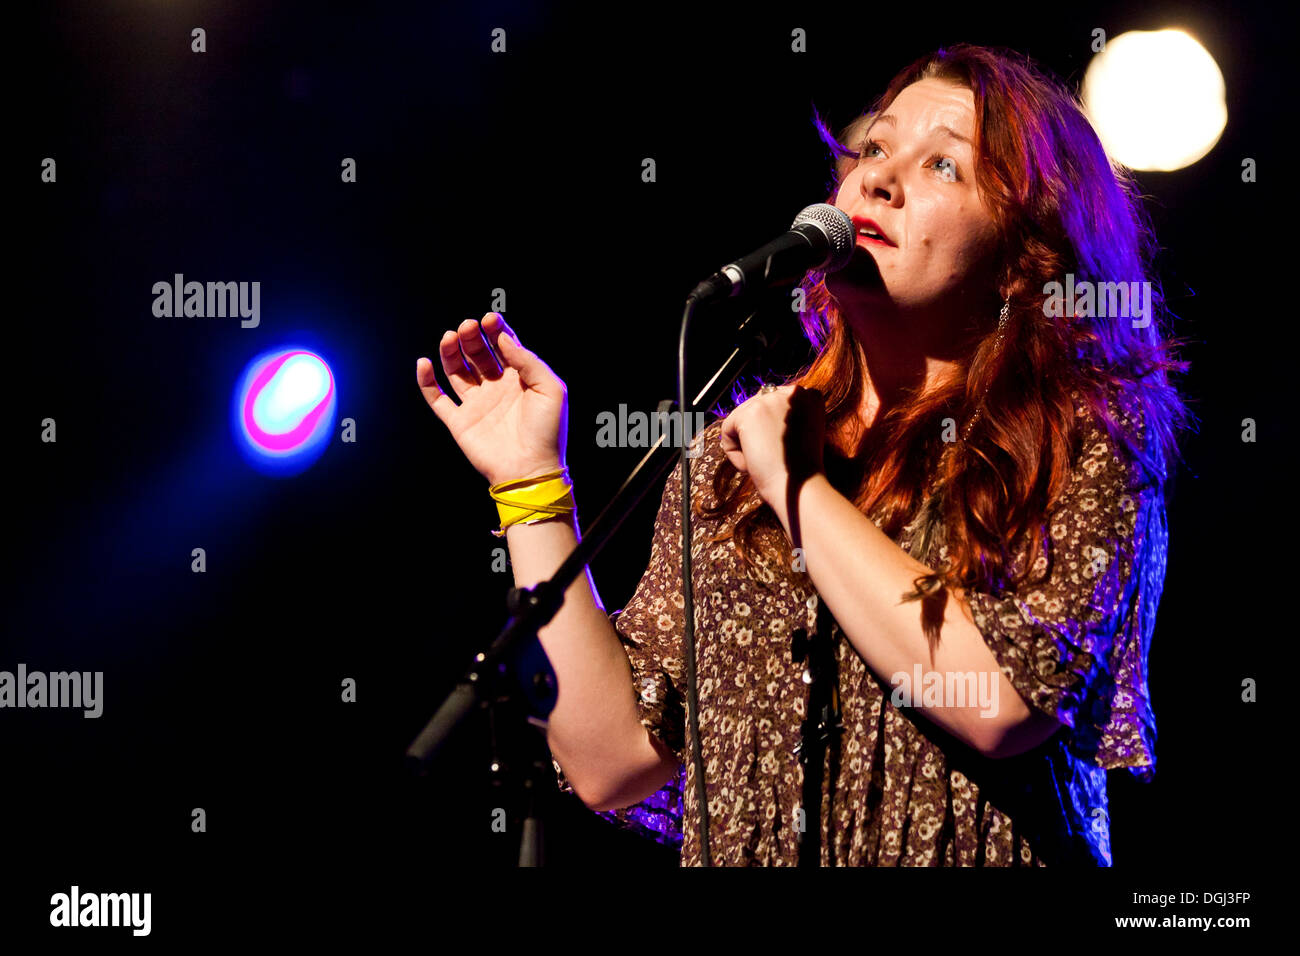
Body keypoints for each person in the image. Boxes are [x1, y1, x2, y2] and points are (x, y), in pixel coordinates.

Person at [415, 43, 1192, 866]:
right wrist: (530, 482)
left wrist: (803, 491)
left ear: (1022, 260)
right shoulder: (734, 463)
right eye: (875, 150)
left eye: (943, 167)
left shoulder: (1084, 440)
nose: (881, 180)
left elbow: (1001, 702)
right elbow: (611, 760)